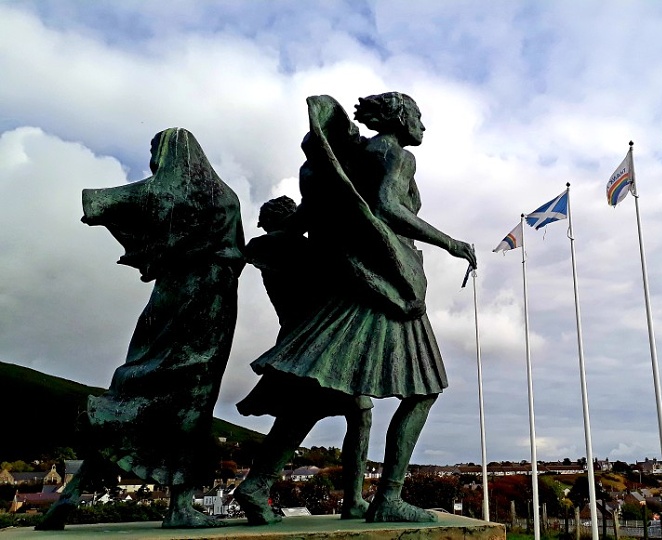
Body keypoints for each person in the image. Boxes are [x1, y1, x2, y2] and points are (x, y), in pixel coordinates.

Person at [235, 92, 475, 523]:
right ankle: (389, 499)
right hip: (387, 291)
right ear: (400, 117)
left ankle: (255, 487)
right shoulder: (394, 153)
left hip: (354, 285)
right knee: (423, 391)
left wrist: (271, 242)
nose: (423, 125)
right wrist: (450, 242)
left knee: (315, 395)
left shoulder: (351, 158)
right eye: (418, 116)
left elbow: (311, 215)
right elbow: (387, 207)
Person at [37, 128, 244, 530]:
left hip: (168, 300)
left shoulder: (156, 192)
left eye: (155, 151)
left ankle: (70, 496)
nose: (153, 159)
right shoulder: (225, 198)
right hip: (212, 301)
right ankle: (180, 506)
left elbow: (96, 203)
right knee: (193, 402)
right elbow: (237, 254)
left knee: (139, 388)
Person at [235, 196, 373, 524]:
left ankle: (256, 486)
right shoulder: (282, 248)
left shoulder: (277, 249)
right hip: (313, 348)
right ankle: (351, 499)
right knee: (355, 410)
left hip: (310, 347)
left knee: (301, 418)